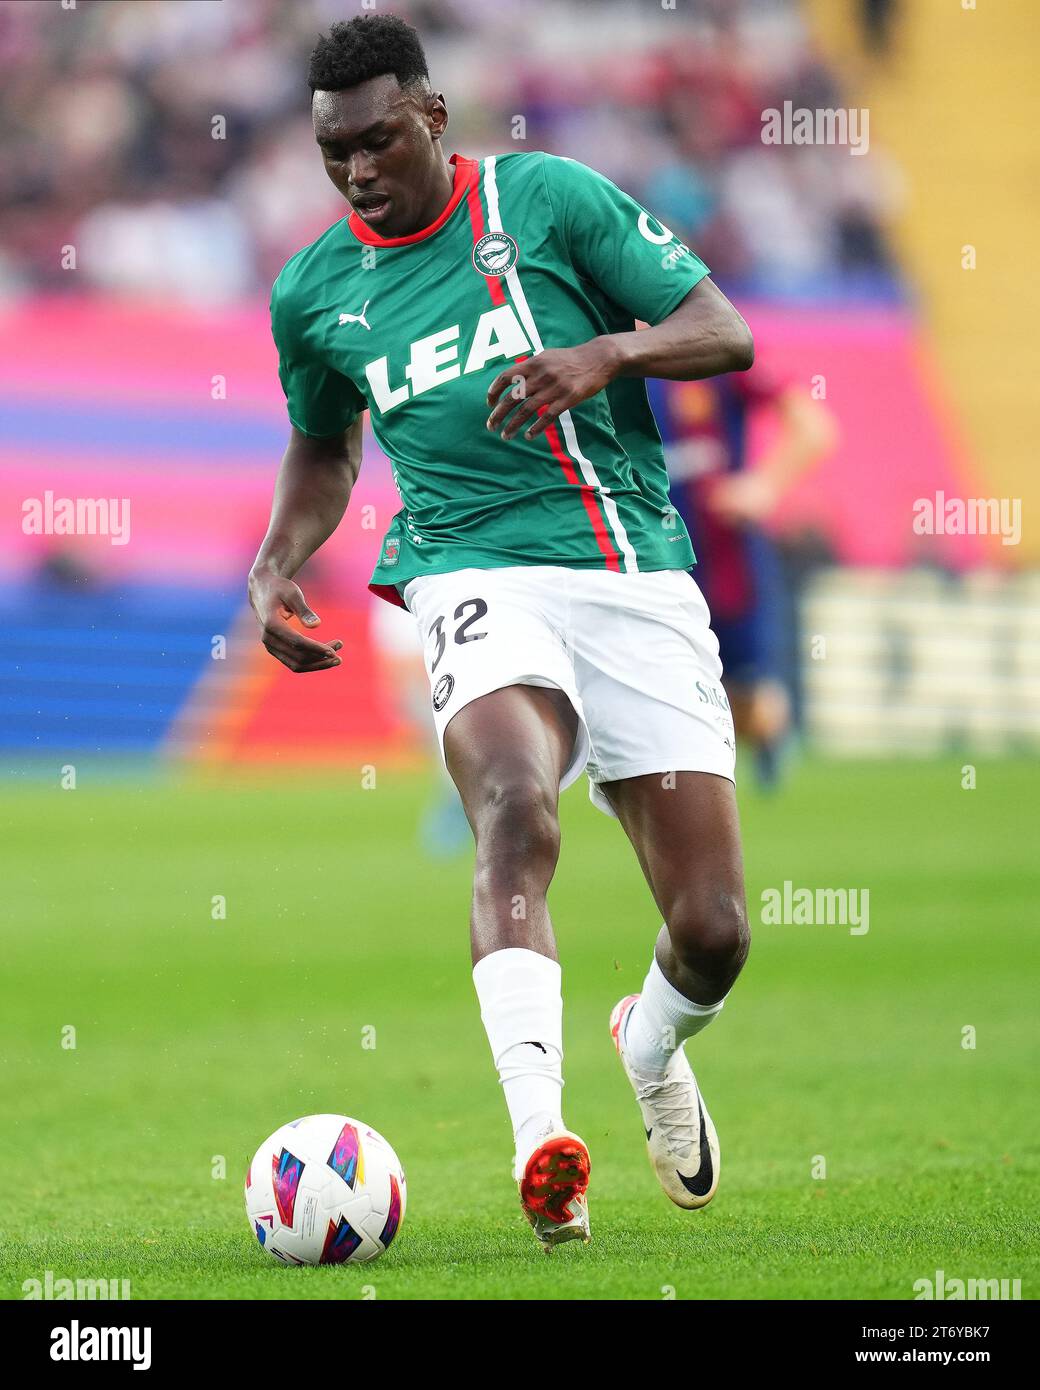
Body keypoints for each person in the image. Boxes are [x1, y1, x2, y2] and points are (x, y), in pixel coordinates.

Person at [248, 15, 754, 1250]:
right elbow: (325, 444)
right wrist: (273, 564)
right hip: (467, 570)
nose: (357, 171)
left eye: (375, 141)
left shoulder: (545, 200)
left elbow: (722, 331)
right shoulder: (314, 292)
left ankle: (647, 1041)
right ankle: (544, 1148)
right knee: (514, 812)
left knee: (713, 929)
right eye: (333, 155)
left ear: (429, 114)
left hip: (632, 570)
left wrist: (604, 356)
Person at [648, 369, 836, 785]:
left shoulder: (711, 349)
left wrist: (763, 486)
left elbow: (815, 427)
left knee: (748, 700)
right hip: (650, 562)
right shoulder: (600, 354)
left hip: (725, 559)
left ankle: (767, 734)